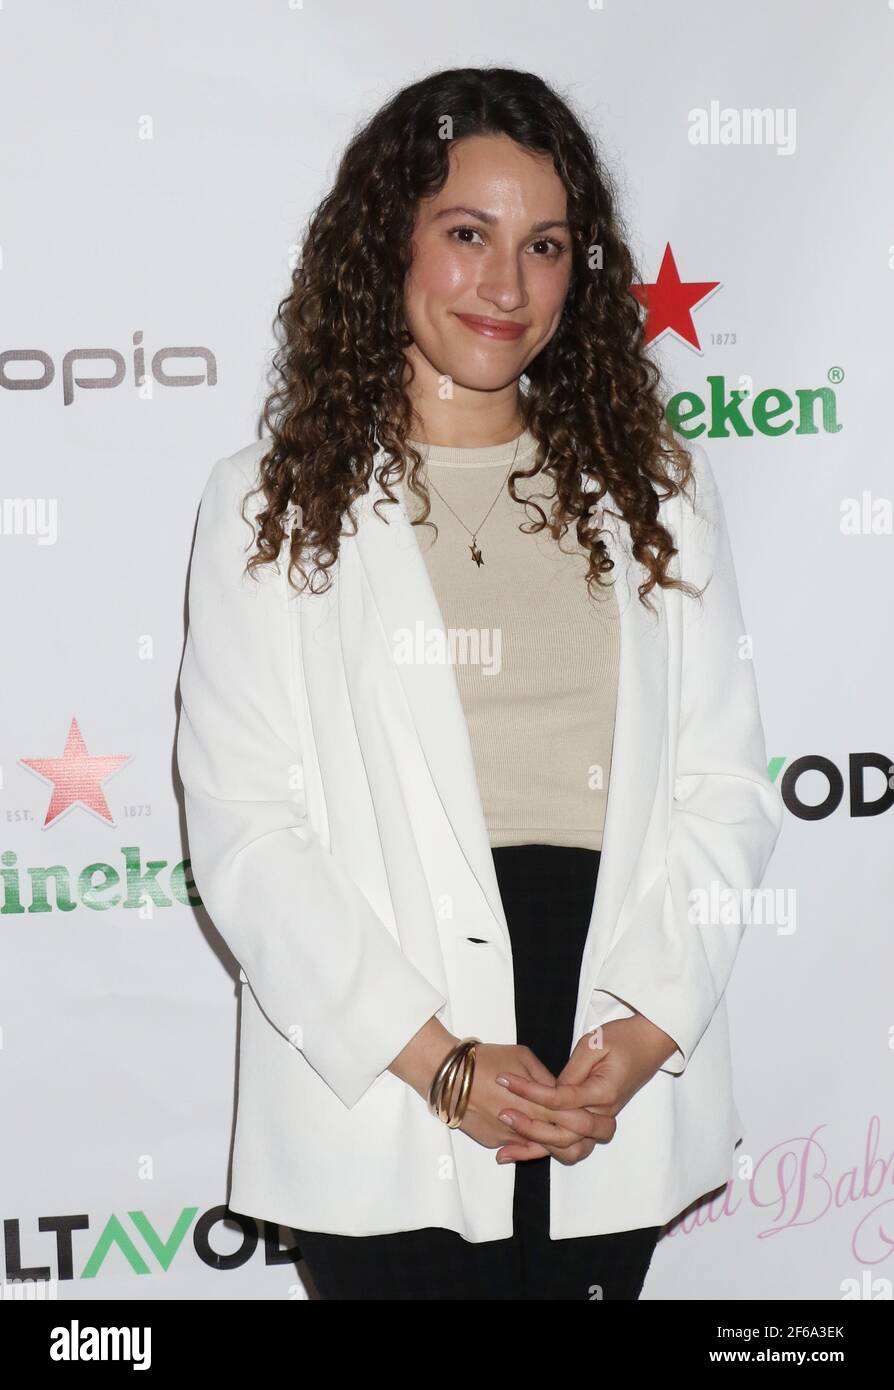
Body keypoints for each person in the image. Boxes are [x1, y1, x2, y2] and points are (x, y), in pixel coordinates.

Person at [177, 66, 784, 1300]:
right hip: (388, 1077)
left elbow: (727, 787)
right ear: (387, 246)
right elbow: (247, 834)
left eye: (546, 246)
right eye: (467, 234)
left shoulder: (656, 489)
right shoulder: (272, 500)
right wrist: (443, 1064)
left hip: (606, 1058)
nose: (506, 286)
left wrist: (649, 1028)